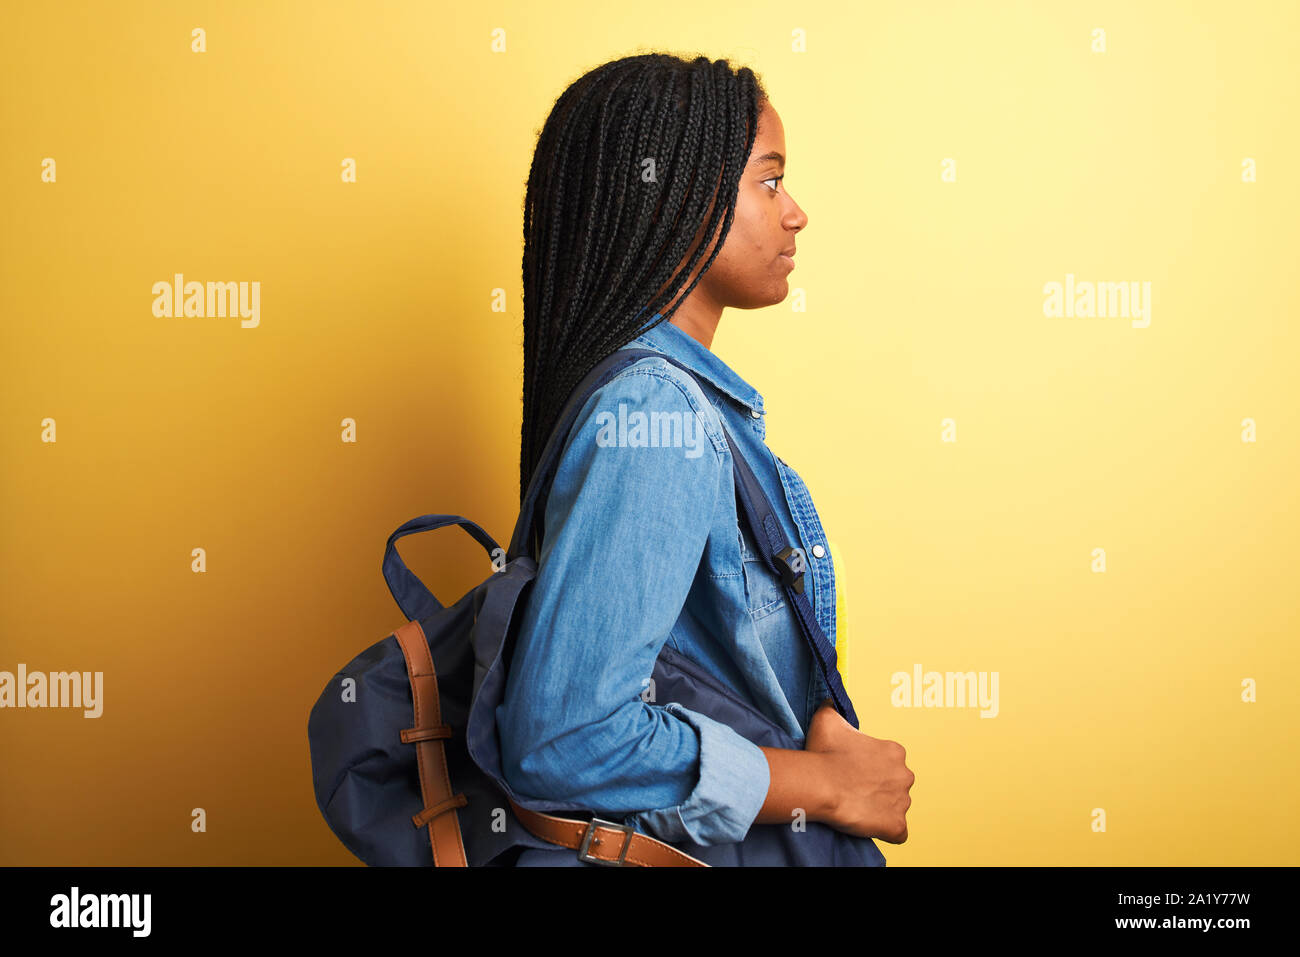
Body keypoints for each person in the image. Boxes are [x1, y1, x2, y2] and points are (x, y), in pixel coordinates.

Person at [497, 52, 914, 865]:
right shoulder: (659, 412)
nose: (795, 213)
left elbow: (701, 660)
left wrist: (812, 710)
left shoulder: (664, 404)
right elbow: (564, 738)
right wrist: (823, 784)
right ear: (682, 200)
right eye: (769, 181)